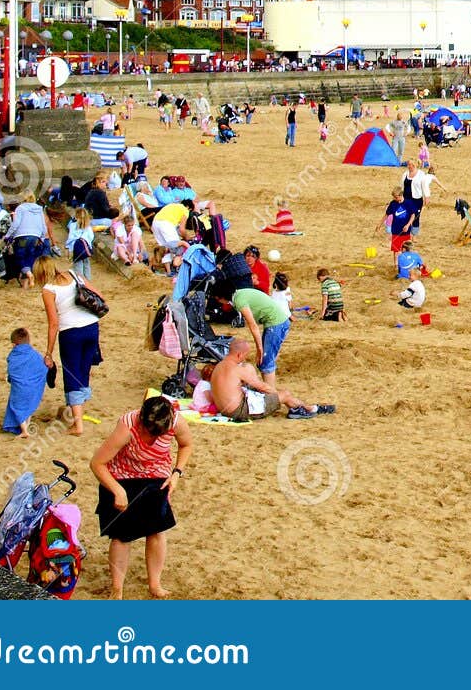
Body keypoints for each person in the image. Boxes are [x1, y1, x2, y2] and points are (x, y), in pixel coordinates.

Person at [90, 394, 193, 598]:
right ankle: (117, 590)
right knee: (122, 535)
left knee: (156, 530)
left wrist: (176, 474)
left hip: (156, 475)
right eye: (149, 433)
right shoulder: (127, 426)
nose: (153, 439)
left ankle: (155, 585)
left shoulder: (175, 421)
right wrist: (117, 490)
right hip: (121, 475)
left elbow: (186, 444)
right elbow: (97, 463)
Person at [36, 255, 102, 437]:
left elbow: (53, 323)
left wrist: (48, 352)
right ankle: (78, 407)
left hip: (71, 332)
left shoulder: (48, 290)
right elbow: (99, 295)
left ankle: (78, 424)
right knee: (84, 368)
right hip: (91, 326)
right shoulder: (73, 274)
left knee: (71, 373)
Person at [208, 338, 326, 420]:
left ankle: (302, 408)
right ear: (239, 355)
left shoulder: (219, 366)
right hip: (237, 411)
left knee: (279, 394)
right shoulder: (237, 369)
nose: (244, 359)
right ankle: (307, 408)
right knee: (285, 394)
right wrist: (280, 396)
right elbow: (262, 386)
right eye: (245, 355)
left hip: (223, 409)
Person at [231, 284, 293, 388]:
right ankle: (269, 391)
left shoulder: (239, 301)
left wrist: (259, 349)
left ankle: (271, 394)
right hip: (278, 322)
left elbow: (253, 326)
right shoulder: (241, 293)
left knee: (266, 362)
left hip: (276, 324)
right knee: (266, 361)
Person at [4, 327, 47, 436]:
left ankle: (24, 431)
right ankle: (26, 426)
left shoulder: (13, 356)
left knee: (17, 407)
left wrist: (12, 380)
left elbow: (12, 370)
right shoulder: (36, 355)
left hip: (20, 387)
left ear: (14, 344)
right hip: (34, 386)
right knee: (28, 406)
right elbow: (43, 368)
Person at [381, 188, 415, 256]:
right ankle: (396, 264)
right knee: (395, 249)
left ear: (400, 195)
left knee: (406, 248)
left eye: (396, 197)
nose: (394, 199)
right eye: (394, 197)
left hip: (406, 231)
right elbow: (387, 214)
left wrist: (408, 225)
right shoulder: (393, 203)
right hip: (395, 230)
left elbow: (413, 215)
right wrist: (379, 224)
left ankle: (406, 263)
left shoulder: (408, 203)